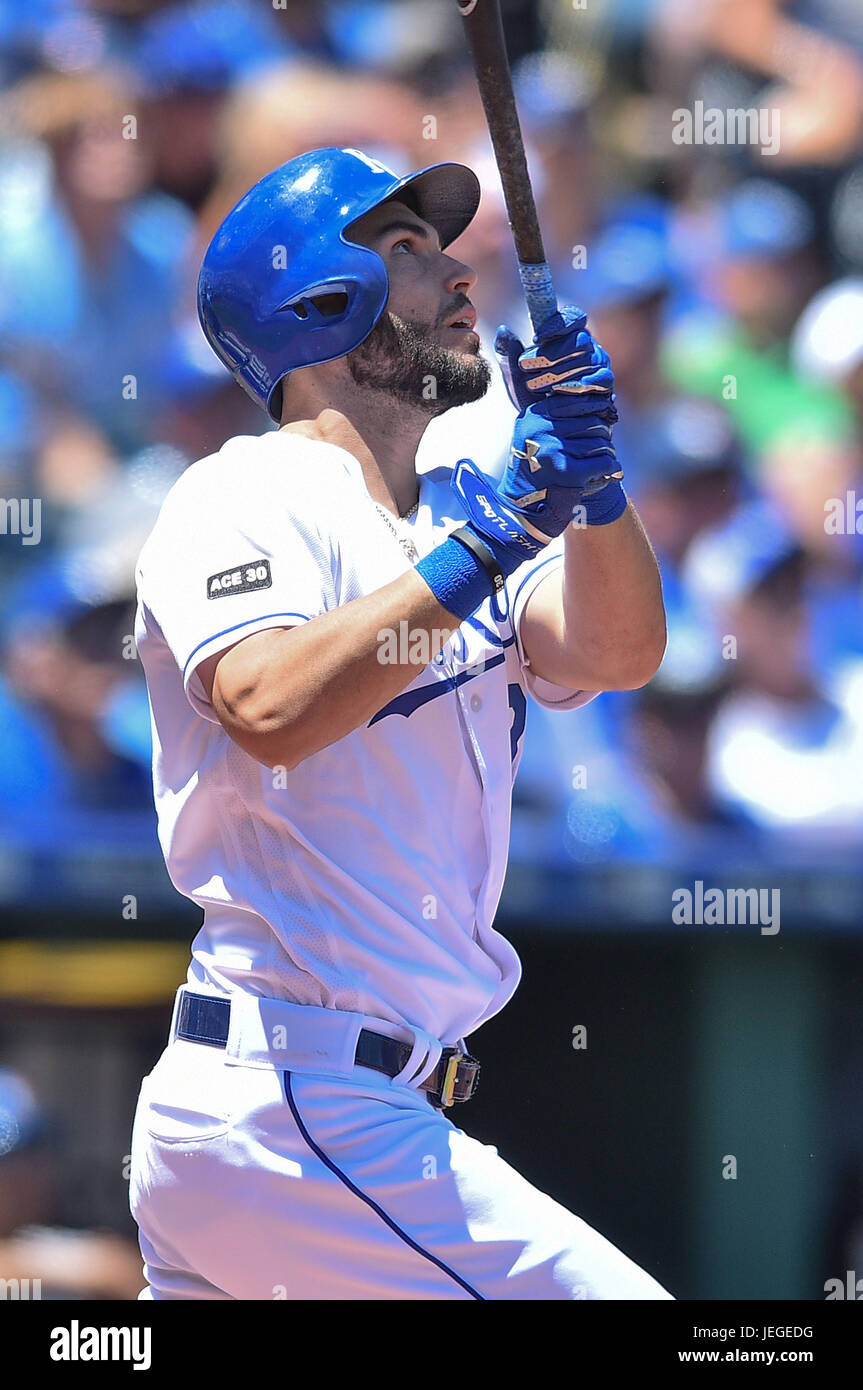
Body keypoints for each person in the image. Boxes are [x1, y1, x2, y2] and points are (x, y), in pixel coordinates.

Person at [129, 146, 670, 1300]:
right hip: (292, 1092)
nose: (460, 273)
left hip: (338, 1113)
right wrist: (502, 537)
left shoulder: (463, 509)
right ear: (321, 300)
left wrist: (592, 482)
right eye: (410, 252)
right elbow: (271, 707)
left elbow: (619, 652)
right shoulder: (242, 490)